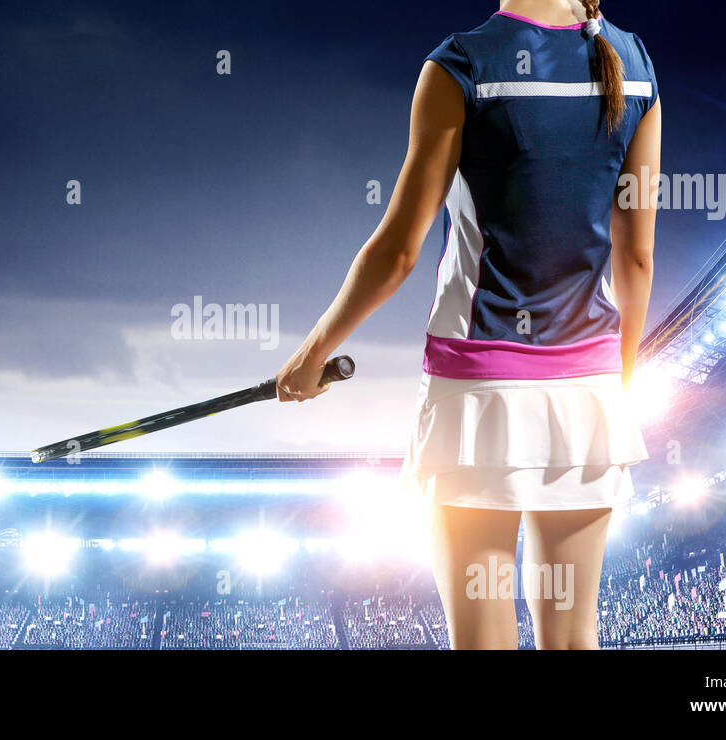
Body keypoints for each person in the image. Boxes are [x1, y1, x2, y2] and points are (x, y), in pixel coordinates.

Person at [276, 0, 660, 649]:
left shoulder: (461, 62)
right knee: (572, 639)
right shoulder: (637, 65)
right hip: (588, 395)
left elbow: (397, 252)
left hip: (475, 394)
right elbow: (638, 257)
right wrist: (613, 389)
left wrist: (314, 351)